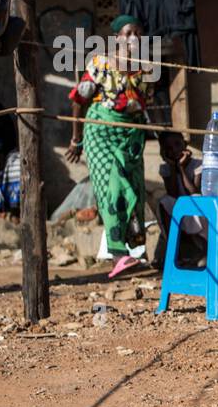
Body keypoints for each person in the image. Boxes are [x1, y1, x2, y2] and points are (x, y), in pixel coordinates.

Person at [64, 14, 155, 278]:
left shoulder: (148, 68)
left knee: (135, 190)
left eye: (138, 33)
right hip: (101, 132)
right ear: (117, 38)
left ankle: (133, 249)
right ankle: (118, 254)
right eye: (127, 33)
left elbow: (147, 104)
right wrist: (76, 138)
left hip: (131, 136)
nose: (134, 38)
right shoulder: (100, 63)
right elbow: (78, 100)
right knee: (112, 188)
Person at [154, 131, 205, 269]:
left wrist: (182, 169)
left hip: (198, 211)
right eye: (169, 148)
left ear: (185, 144)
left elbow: (194, 192)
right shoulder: (166, 169)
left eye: (177, 144)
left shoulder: (198, 164)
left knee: (196, 198)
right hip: (181, 211)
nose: (175, 150)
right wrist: (173, 167)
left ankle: (199, 250)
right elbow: (173, 194)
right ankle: (177, 249)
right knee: (164, 201)